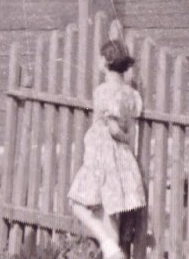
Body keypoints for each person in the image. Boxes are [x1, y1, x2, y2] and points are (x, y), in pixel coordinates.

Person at [67, 41, 145, 259]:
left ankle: (108, 245)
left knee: (76, 203)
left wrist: (122, 135)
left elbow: (112, 128)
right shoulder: (131, 93)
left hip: (103, 156)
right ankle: (113, 250)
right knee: (109, 211)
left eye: (101, 57)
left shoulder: (103, 91)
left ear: (108, 61)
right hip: (122, 158)